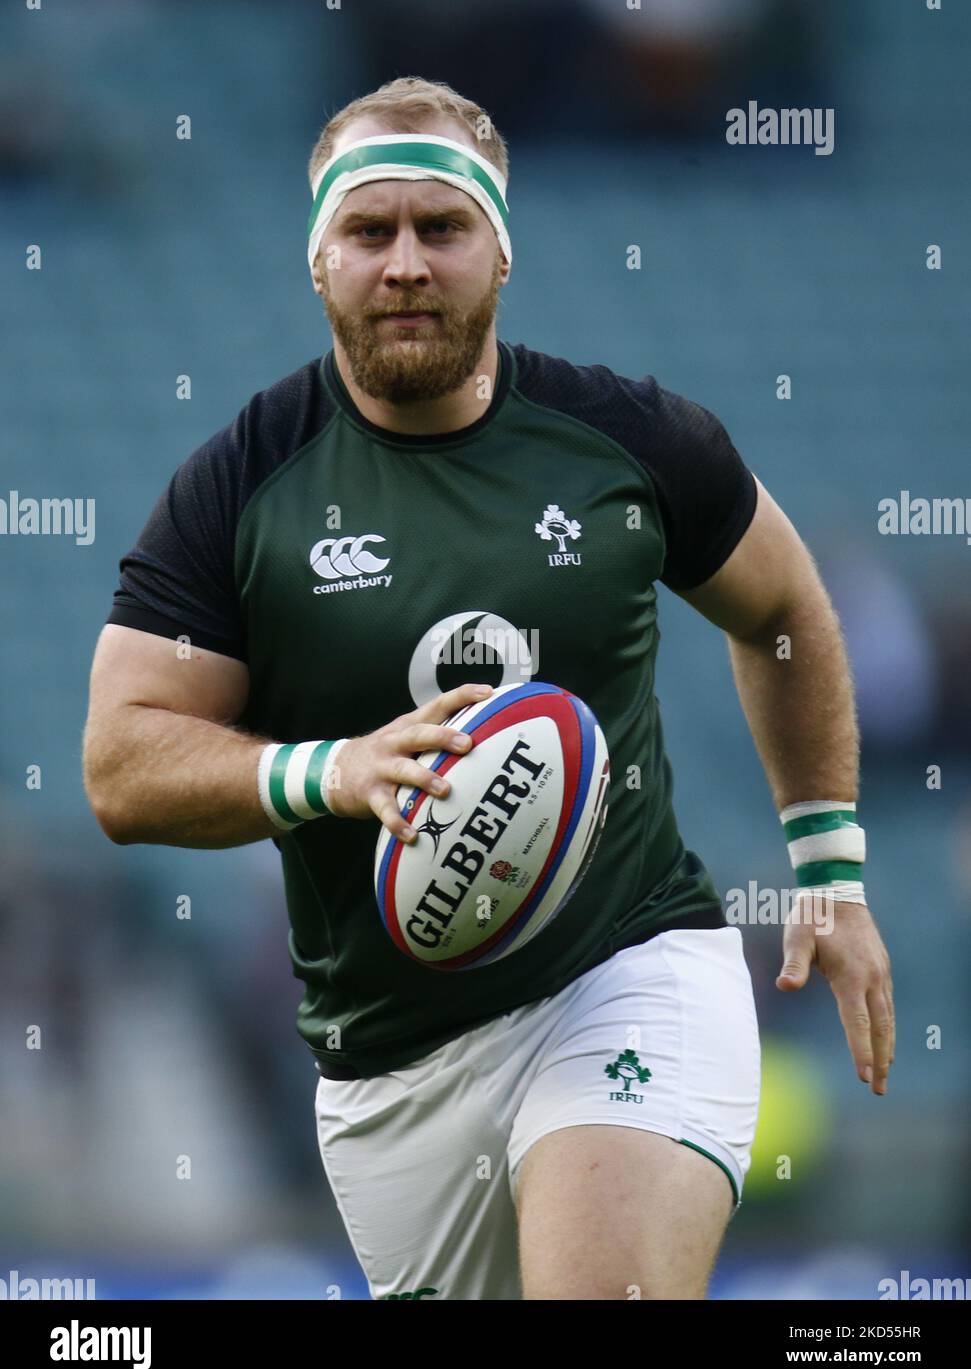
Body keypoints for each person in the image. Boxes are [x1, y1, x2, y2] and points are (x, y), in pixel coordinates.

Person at [82, 76, 894, 1301]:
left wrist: (827, 867)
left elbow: (781, 610)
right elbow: (119, 762)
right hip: (390, 1070)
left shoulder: (626, 440)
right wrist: (331, 771)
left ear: (499, 253)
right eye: (369, 232)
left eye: (441, 229)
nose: (404, 264)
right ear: (318, 261)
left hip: (627, 974)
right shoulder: (239, 488)